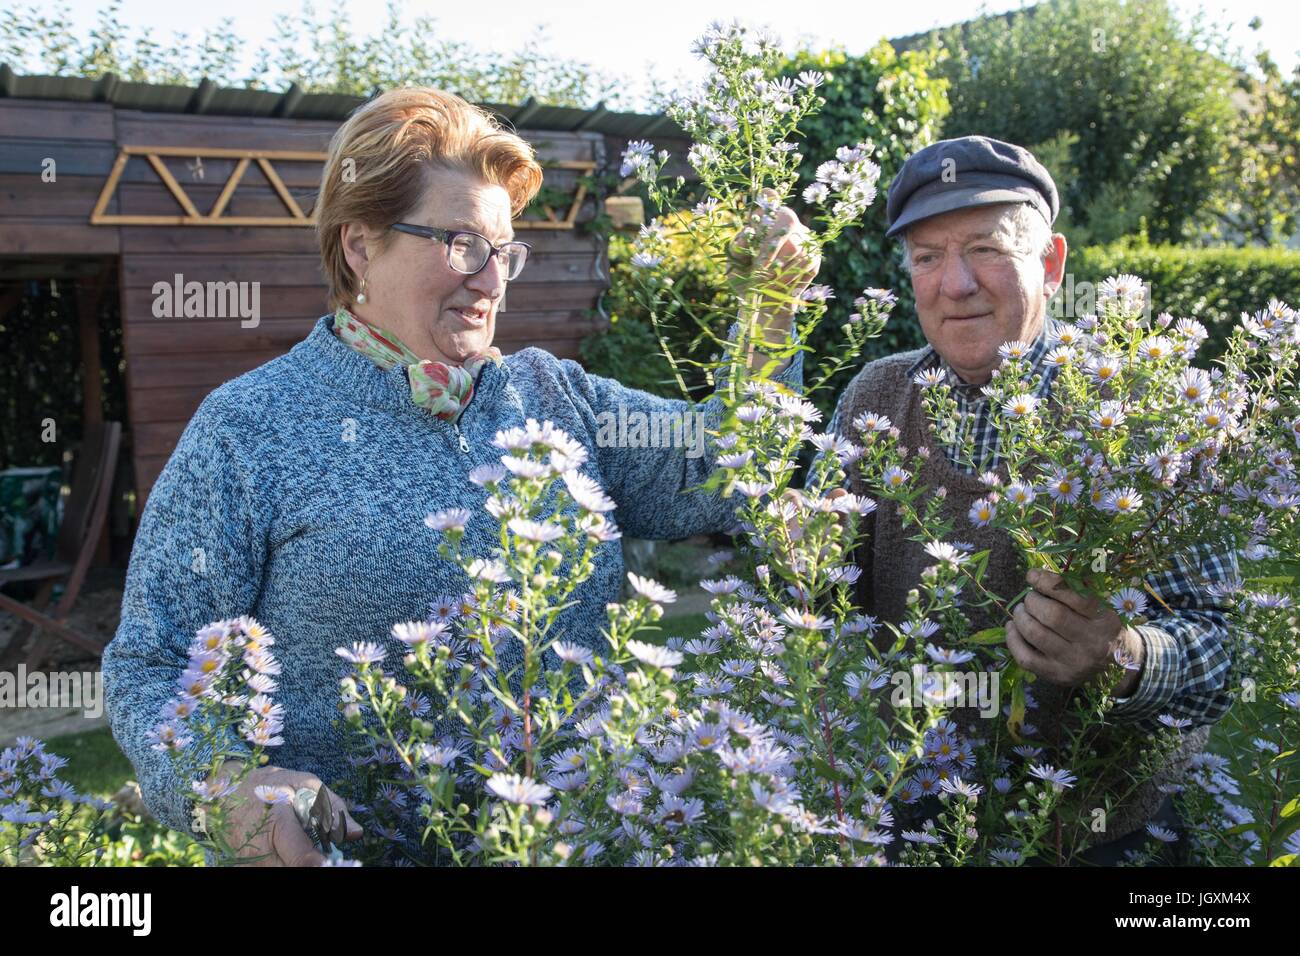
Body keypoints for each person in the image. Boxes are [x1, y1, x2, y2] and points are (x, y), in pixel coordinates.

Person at [102, 87, 817, 865]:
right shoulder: (249, 430)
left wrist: (772, 312)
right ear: (359, 246)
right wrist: (227, 791)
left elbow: (729, 468)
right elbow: (154, 663)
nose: (491, 280)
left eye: (504, 251)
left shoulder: (554, 397)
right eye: (460, 244)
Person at [826, 135, 1235, 863]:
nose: (954, 284)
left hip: (1104, 835)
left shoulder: (1144, 413)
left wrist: (1126, 656)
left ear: (1051, 266)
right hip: (918, 823)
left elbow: (1224, 656)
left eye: (985, 248)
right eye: (926, 257)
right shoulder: (874, 398)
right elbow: (822, 603)